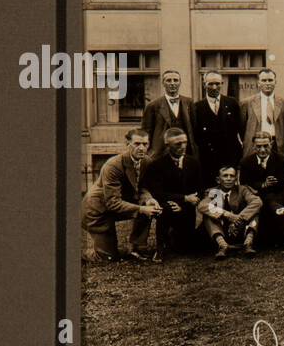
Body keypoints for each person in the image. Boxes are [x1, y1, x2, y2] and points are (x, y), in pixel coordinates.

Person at [82, 128, 161, 261]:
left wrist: (148, 200)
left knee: (149, 207)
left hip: (118, 203)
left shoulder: (147, 162)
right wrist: (141, 209)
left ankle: (137, 248)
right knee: (107, 257)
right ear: (127, 144)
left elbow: (143, 187)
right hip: (97, 210)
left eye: (145, 144)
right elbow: (112, 202)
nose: (141, 148)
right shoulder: (113, 166)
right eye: (137, 144)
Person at [141, 127, 204, 261]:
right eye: (178, 144)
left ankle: (175, 237)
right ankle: (160, 248)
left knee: (187, 248)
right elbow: (157, 193)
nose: (183, 146)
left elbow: (199, 190)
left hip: (187, 209)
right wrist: (183, 198)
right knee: (167, 208)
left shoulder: (193, 163)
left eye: (185, 142)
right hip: (167, 205)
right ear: (167, 145)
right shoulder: (157, 165)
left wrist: (185, 203)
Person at [197, 165, 262, 259]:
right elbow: (202, 206)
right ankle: (223, 245)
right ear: (218, 179)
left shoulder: (242, 189)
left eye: (232, 176)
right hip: (220, 230)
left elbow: (257, 202)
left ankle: (248, 243)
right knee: (208, 215)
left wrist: (238, 218)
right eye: (225, 176)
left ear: (236, 179)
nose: (229, 179)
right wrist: (226, 214)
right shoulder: (213, 191)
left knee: (254, 212)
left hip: (240, 228)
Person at [238, 132, 284, 246]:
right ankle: (250, 237)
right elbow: (244, 184)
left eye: (265, 146)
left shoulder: (280, 159)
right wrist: (263, 185)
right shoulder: (246, 162)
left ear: (271, 144)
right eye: (258, 146)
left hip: (275, 195)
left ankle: (280, 239)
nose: (262, 150)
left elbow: (283, 182)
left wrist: (272, 184)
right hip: (254, 196)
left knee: (272, 202)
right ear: (253, 146)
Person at [192, 70, 243, 187]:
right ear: (204, 84)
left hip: (230, 157)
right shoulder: (197, 107)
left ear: (222, 83)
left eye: (217, 83)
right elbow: (196, 135)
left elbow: (240, 130)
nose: (214, 87)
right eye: (210, 84)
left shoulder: (232, 103)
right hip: (208, 159)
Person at [141, 70, 198, 158]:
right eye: (168, 80)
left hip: (186, 151)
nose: (172, 83)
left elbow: (194, 128)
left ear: (180, 83)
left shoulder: (189, 102)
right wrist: (149, 152)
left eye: (175, 80)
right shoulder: (153, 105)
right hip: (162, 152)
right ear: (163, 83)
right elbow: (146, 132)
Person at [241, 67, 284, 154]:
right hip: (256, 144)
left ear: (275, 82)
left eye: (270, 80)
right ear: (258, 83)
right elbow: (241, 127)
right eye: (264, 80)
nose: (267, 83)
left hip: (277, 145)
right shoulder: (247, 103)